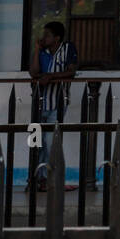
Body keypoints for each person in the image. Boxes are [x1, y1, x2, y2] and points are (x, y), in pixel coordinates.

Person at [29, 20, 78, 191]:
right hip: (39, 102)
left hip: (57, 103)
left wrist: (51, 76)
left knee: (51, 142)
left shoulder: (67, 49)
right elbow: (33, 72)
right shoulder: (42, 52)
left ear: (57, 38)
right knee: (35, 141)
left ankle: (53, 180)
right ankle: (36, 180)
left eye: (47, 35)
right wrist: (36, 49)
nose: (44, 38)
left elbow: (71, 71)